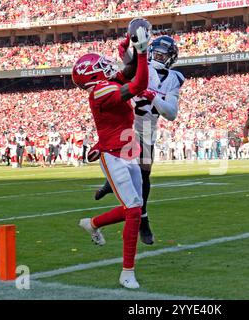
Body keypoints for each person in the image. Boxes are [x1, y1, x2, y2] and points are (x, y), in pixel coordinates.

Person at [74, 18, 151, 289]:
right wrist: (142, 50)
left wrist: (133, 46)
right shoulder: (99, 92)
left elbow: (129, 72)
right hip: (113, 154)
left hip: (128, 149)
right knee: (133, 210)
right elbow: (139, 83)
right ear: (92, 72)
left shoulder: (105, 85)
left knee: (135, 207)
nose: (106, 64)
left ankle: (92, 223)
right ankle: (126, 272)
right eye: (100, 64)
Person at [93, 35, 184, 245]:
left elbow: (171, 113)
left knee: (143, 174)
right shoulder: (144, 67)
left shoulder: (173, 79)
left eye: (164, 53)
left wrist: (153, 97)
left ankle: (111, 184)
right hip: (127, 123)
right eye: (157, 51)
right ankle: (143, 219)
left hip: (148, 128)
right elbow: (128, 60)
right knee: (141, 172)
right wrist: (128, 42)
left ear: (172, 57)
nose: (159, 55)